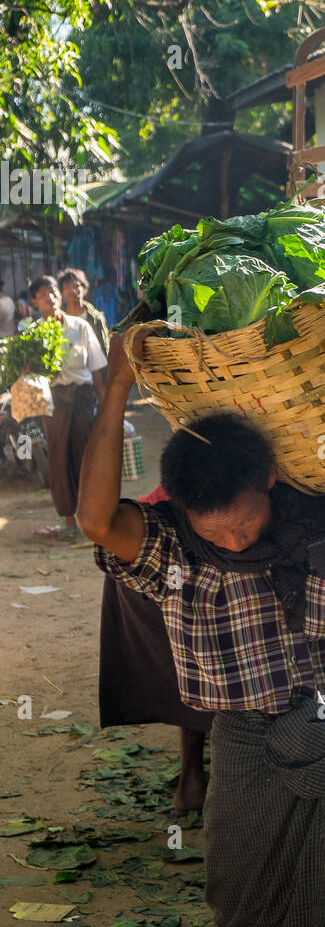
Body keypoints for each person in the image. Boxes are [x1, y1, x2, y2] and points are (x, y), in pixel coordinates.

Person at [77, 334, 325, 927]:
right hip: (246, 751)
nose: (231, 537)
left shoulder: (321, 535)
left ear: (272, 480)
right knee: (251, 916)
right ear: (181, 510)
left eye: (245, 520)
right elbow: (94, 519)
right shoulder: (174, 551)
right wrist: (116, 387)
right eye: (213, 526)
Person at [99, 483, 213, 814]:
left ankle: (193, 777)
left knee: (194, 663)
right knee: (199, 660)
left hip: (157, 554)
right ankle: (196, 779)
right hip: (162, 559)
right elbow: (95, 523)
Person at [28, 274, 107, 539]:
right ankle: (68, 519)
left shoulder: (80, 327)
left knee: (84, 454)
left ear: (59, 296)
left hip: (83, 398)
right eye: (41, 295)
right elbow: (28, 377)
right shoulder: (32, 333)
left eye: (51, 292)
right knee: (59, 458)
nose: (48, 298)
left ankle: (90, 514)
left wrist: (105, 402)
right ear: (34, 302)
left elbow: (96, 368)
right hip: (53, 401)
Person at [58, 267, 110, 356]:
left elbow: (105, 348)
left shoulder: (96, 317)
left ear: (84, 289)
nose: (72, 291)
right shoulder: (58, 318)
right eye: (67, 287)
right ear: (62, 292)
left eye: (76, 286)